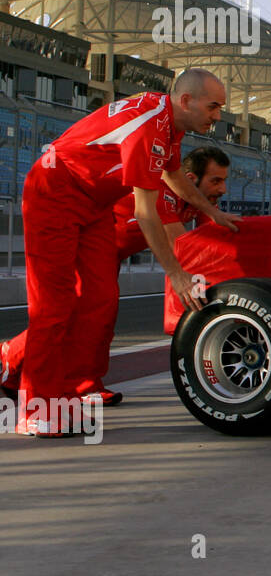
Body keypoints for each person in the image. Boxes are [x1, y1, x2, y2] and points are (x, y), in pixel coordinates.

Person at [11, 69, 240, 436]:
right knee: (55, 304)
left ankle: (67, 390)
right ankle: (35, 405)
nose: (217, 116)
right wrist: (177, 274)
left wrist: (211, 211)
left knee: (99, 300)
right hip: (54, 192)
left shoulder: (171, 124)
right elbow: (146, 213)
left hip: (95, 205)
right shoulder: (150, 125)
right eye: (214, 107)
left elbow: (174, 176)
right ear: (187, 100)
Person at [1, 146, 231, 401]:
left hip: (109, 255)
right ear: (190, 180)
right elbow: (182, 245)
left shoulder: (198, 201)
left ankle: (84, 383)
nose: (222, 189)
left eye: (224, 180)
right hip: (82, 245)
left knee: (102, 318)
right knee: (71, 313)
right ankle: (11, 355)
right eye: (216, 181)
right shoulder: (162, 191)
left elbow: (213, 241)